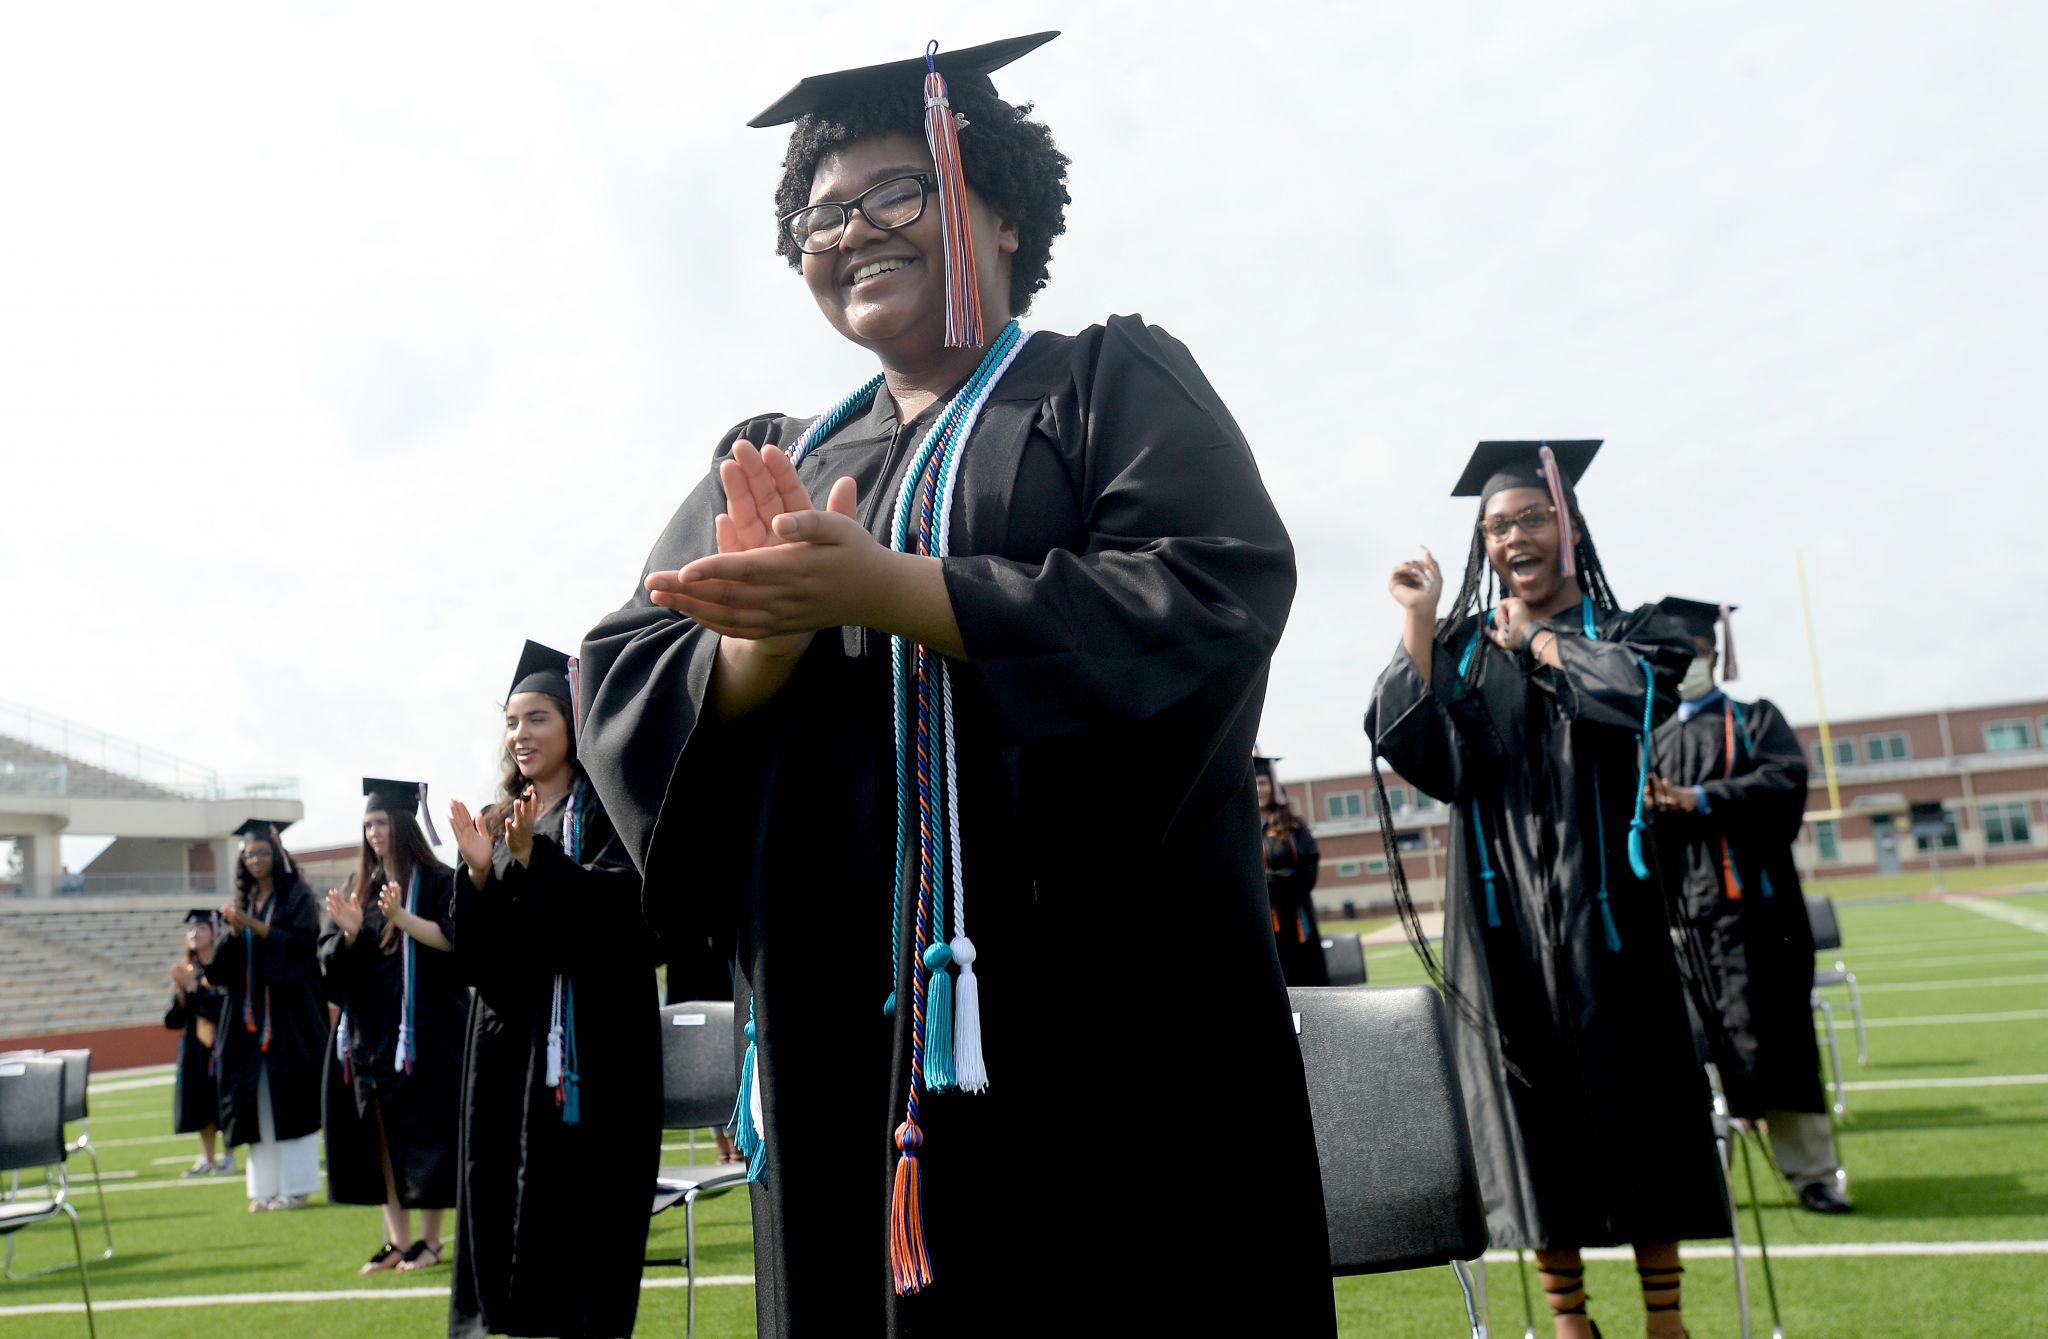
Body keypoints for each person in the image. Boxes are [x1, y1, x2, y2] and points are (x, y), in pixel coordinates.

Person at [577, 32, 1333, 1337]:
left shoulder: (1103, 387)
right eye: (820, 212)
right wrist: (754, 648)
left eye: (894, 192)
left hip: (1104, 1043)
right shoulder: (773, 460)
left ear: (992, 200)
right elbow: (629, 674)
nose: (852, 228)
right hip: (840, 1056)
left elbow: (1211, 594)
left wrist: (897, 593)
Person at [1365, 440, 1726, 1339]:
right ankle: (1570, 1319)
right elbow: (1410, 740)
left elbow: (1642, 694)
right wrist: (1420, 621)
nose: (1512, 536)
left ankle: (1665, 1316)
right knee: (1528, 1113)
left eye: (1531, 516)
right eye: (1495, 525)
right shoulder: (1462, 647)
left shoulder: (1634, 627)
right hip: (1503, 925)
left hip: (1614, 914)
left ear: (1569, 525)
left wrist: (1542, 641)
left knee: (1640, 1097)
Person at [445, 642, 663, 1339]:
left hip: (600, 1056)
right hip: (512, 1060)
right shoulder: (497, 819)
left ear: (573, 721)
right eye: (511, 722)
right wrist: (479, 877)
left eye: (537, 716)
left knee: (593, 1237)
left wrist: (534, 861)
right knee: (511, 1222)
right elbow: (481, 961)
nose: (520, 734)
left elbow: (620, 921)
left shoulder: (611, 811)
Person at [1646, 597, 1850, 1214]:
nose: (1688, 665)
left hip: (1761, 919)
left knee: (1782, 1042)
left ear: (1717, 654)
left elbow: (1785, 783)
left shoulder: (1755, 720)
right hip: (1686, 923)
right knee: (1693, 1054)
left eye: (1699, 653)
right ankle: (1706, 1182)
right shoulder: (1650, 740)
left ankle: (1813, 1175)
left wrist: (1700, 798)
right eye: (1675, 658)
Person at [320, 778, 466, 1275]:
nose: (373, 832)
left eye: (381, 822)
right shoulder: (356, 889)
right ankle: (396, 1241)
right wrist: (351, 934)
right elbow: (333, 976)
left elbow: (456, 944)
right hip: (369, 1039)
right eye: (367, 824)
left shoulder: (440, 879)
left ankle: (430, 1240)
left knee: (427, 1135)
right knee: (379, 1137)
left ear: (402, 825)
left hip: (427, 1031)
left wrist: (401, 918)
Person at [205, 819, 327, 1212]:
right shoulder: (246, 902)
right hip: (247, 1022)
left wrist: (255, 928)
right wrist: (234, 932)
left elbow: (303, 949)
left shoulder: (297, 897)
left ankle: (297, 1186)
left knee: (291, 1099)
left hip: (290, 1019)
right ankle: (264, 1188)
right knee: (255, 1101)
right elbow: (224, 970)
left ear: (276, 855)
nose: (256, 859)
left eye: (262, 852)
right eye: (249, 854)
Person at [165, 908, 231, 1176]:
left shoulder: (223, 967)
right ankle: (207, 1157)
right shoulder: (189, 970)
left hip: (221, 1044)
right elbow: (173, 1020)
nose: (194, 934)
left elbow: (222, 1006)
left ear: (215, 933)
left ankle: (229, 1155)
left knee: (221, 1100)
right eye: (191, 930)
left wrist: (195, 989)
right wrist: (183, 991)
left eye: (201, 929)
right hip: (195, 1047)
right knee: (200, 1101)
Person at [1256, 753, 1328, 985]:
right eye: (1254, 783)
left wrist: (1265, 883)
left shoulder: (1295, 828)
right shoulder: (1241, 831)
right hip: (1261, 924)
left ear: (1274, 786)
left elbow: (1307, 873)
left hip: (1297, 921)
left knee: (1306, 980)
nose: (1259, 789)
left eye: (1264, 782)